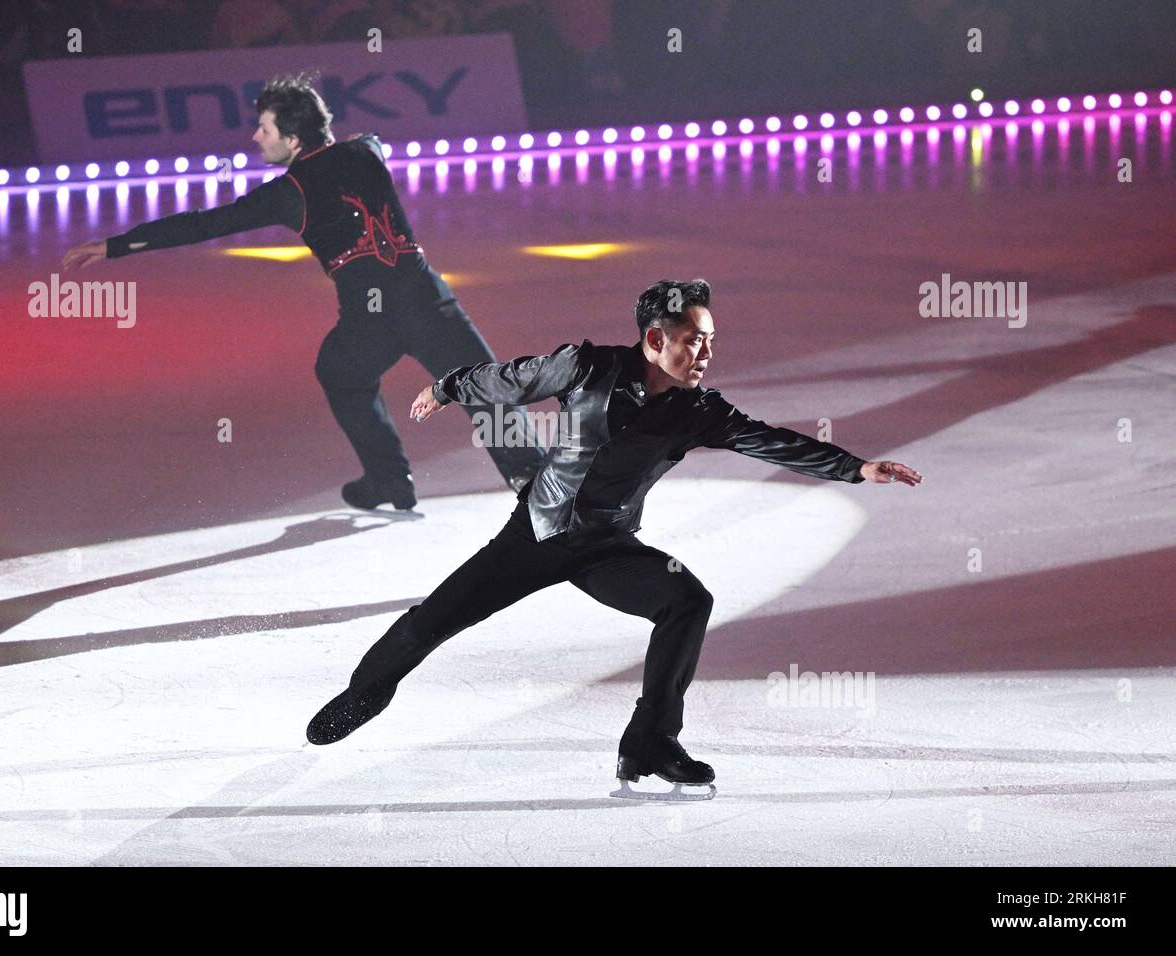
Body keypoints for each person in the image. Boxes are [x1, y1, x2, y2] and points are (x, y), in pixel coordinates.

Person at [306, 278, 923, 800]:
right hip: (538, 532)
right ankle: (365, 692)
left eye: (710, 339)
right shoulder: (587, 365)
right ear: (656, 339)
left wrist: (856, 468)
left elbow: (772, 440)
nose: (706, 351)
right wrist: (447, 387)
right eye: (693, 339)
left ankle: (650, 743)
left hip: (606, 545)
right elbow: (512, 379)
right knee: (435, 620)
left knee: (687, 600)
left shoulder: (699, 410)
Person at [62, 71, 544, 509]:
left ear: (291, 139)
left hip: (369, 320)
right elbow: (358, 143)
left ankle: (390, 478)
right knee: (485, 388)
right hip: (428, 300)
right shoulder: (367, 149)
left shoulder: (289, 192)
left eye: (265, 130)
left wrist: (117, 246)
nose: (255, 137)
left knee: (341, 371)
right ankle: (538, 486)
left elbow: (205, 223)